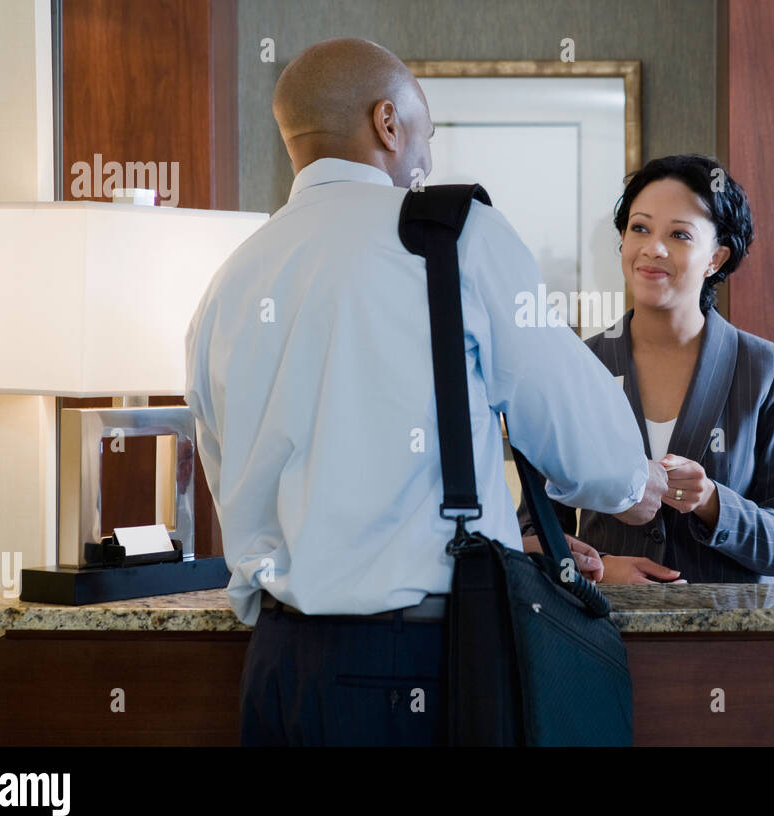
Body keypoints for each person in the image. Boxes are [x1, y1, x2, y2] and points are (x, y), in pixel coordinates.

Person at [184, 38, 669, 746]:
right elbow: (578, 433)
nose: (429, 159)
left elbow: (232, 483)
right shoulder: (452, 235)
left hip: (278, 671)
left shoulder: (229, 280)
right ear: (388, 122)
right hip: (421, 663)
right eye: (427, 133)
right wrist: (634, 482)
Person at [519, 154, 774, 584]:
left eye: (679, 234)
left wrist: (711, 500)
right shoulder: (573, 368)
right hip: (605, 632)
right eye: (640, 228)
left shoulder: (771, 370)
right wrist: (602, 569)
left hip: (732, 639)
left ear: (716, 258)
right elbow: (533, 531)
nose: (653, 248)